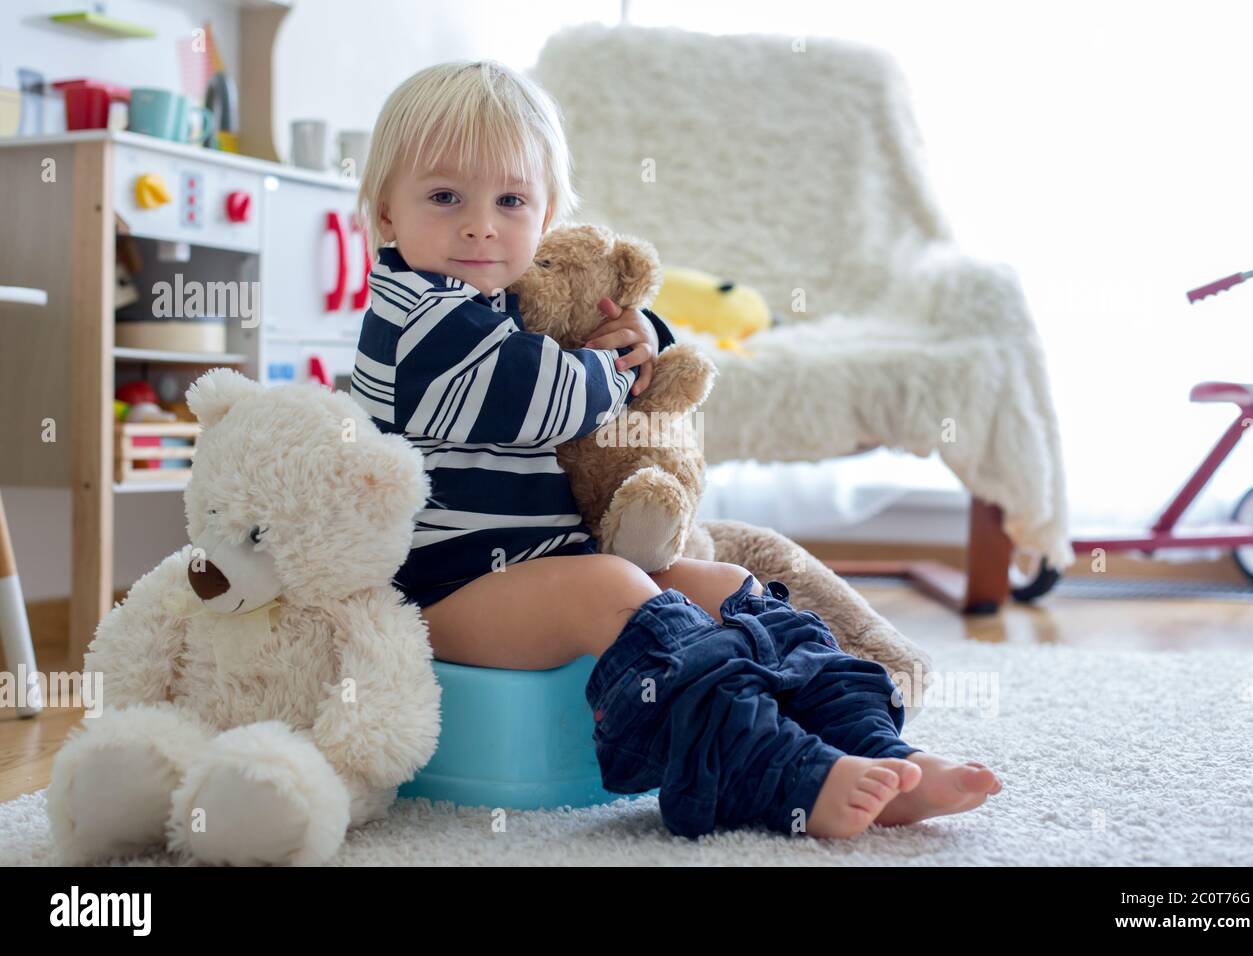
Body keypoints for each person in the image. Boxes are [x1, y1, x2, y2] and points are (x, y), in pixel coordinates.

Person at [351, 60, 1002, 839]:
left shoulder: (500, 297)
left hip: (537, 569)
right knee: (605, 589)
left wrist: (640, 338)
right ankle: (782, 775)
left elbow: (605, 337)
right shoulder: (413, 315)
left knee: (726, 583)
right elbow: (540, 395)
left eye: (511, 200)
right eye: (445, 196)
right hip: (444, 594)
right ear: (387, 214)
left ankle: (872, 744)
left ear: (548, 214)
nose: (480, 224)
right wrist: (615, 370)